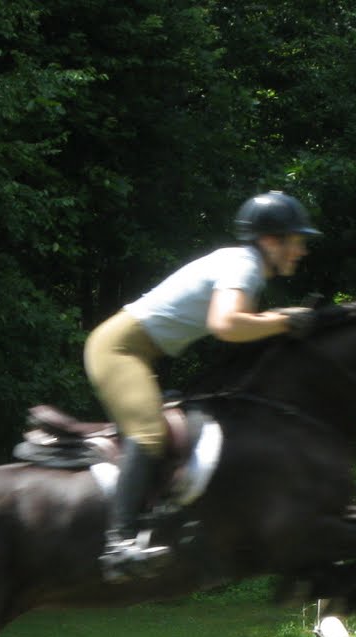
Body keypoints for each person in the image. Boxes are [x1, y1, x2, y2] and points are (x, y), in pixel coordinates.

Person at [84, 190, 321, 581]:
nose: (302, 250)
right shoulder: (242, 265)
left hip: (135, 351)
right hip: (117, 350)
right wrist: (283, 320)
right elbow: (225, 324)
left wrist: (279, 319)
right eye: (297, 240)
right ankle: (118, 545)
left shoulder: (243, 264)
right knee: (149, 434)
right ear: (270, 240)